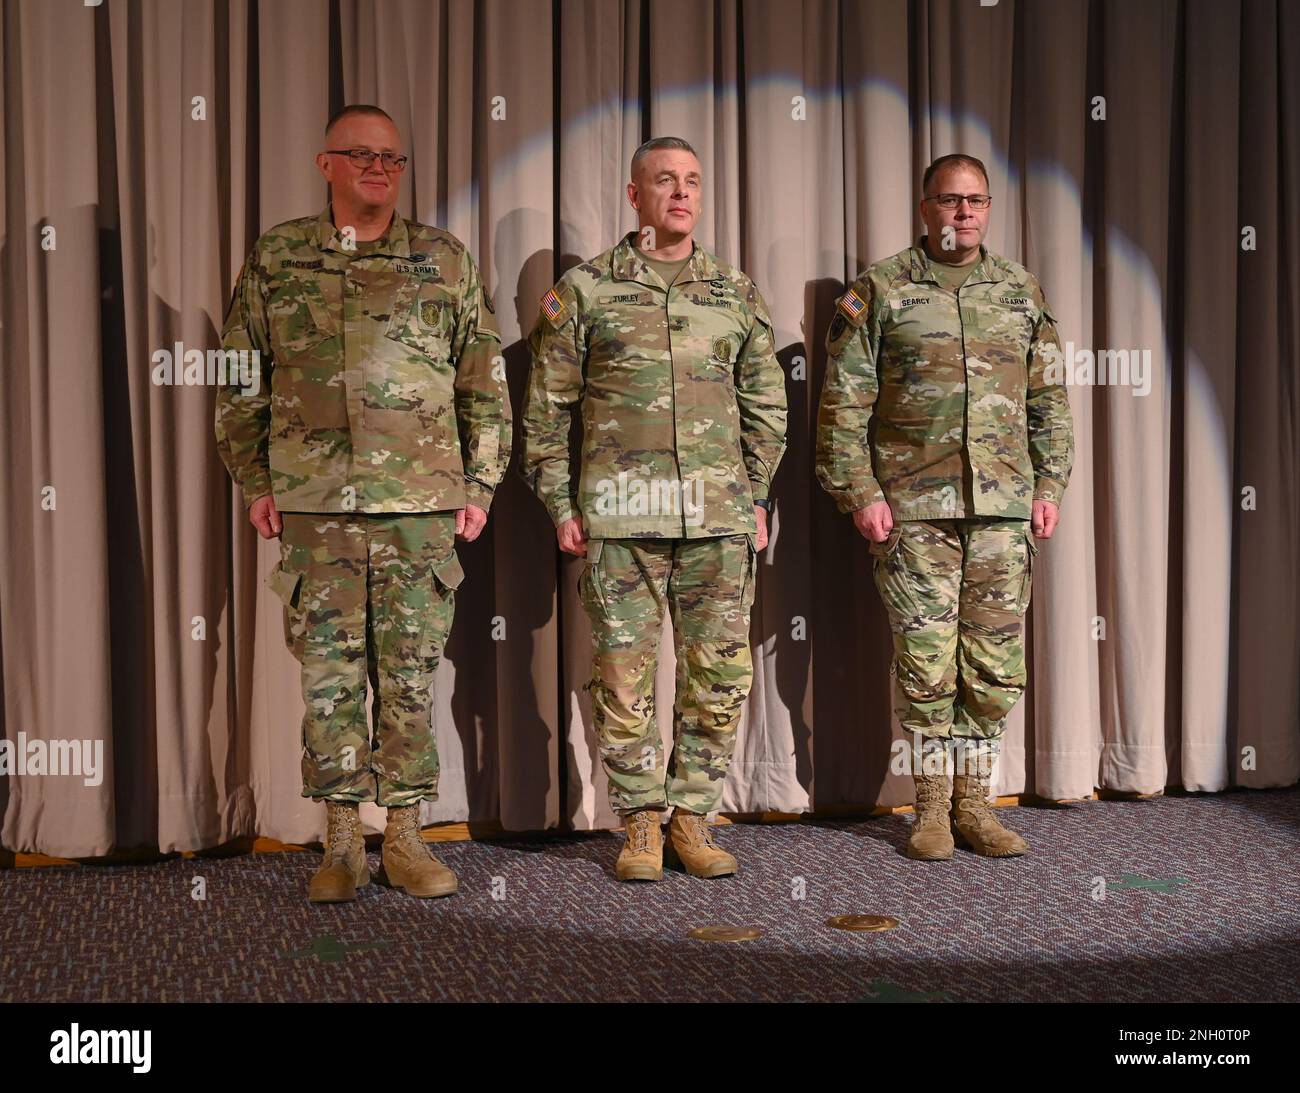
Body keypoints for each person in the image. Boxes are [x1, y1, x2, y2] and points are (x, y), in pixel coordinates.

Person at [215, 104, 511, 901]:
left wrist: (478, 484)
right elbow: (241, 374)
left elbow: (482, 380)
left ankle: (407, 834)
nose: (378, 168)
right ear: (327, 164)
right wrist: (256, 478)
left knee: (412, 673)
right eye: (361, 155)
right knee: (331, 676)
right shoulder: (279, 257)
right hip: (315, 503)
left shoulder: (443, 260)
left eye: (391, 158)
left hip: (419, 504)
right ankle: (342, 838)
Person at [521, 137, 787, 881]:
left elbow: (767, 403)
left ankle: (693, 817)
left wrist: (757, 492)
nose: (681, 192)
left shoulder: (733, 291)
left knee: (718, 673)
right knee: (623, 675)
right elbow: (545, 414)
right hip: (621, 518)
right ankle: (640, 820)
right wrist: (559, 501)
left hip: (717, 518)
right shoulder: (585, 291)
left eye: (693, 181)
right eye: (665, 180)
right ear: (634, 196)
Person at [816, 153, 1074, 860]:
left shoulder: (1019, 291)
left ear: (988, 209)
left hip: (1002, 507)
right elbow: (843, 405)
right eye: (949, 200)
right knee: (927, 662)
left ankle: (974, 804)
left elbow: (1049, 398)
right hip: (914, 510)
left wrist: (1049, 485)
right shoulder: (882, 290)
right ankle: (929, 807)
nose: (963, 213)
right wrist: (860, 491)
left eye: (976, 201)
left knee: (991, 663)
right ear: (924, 208)